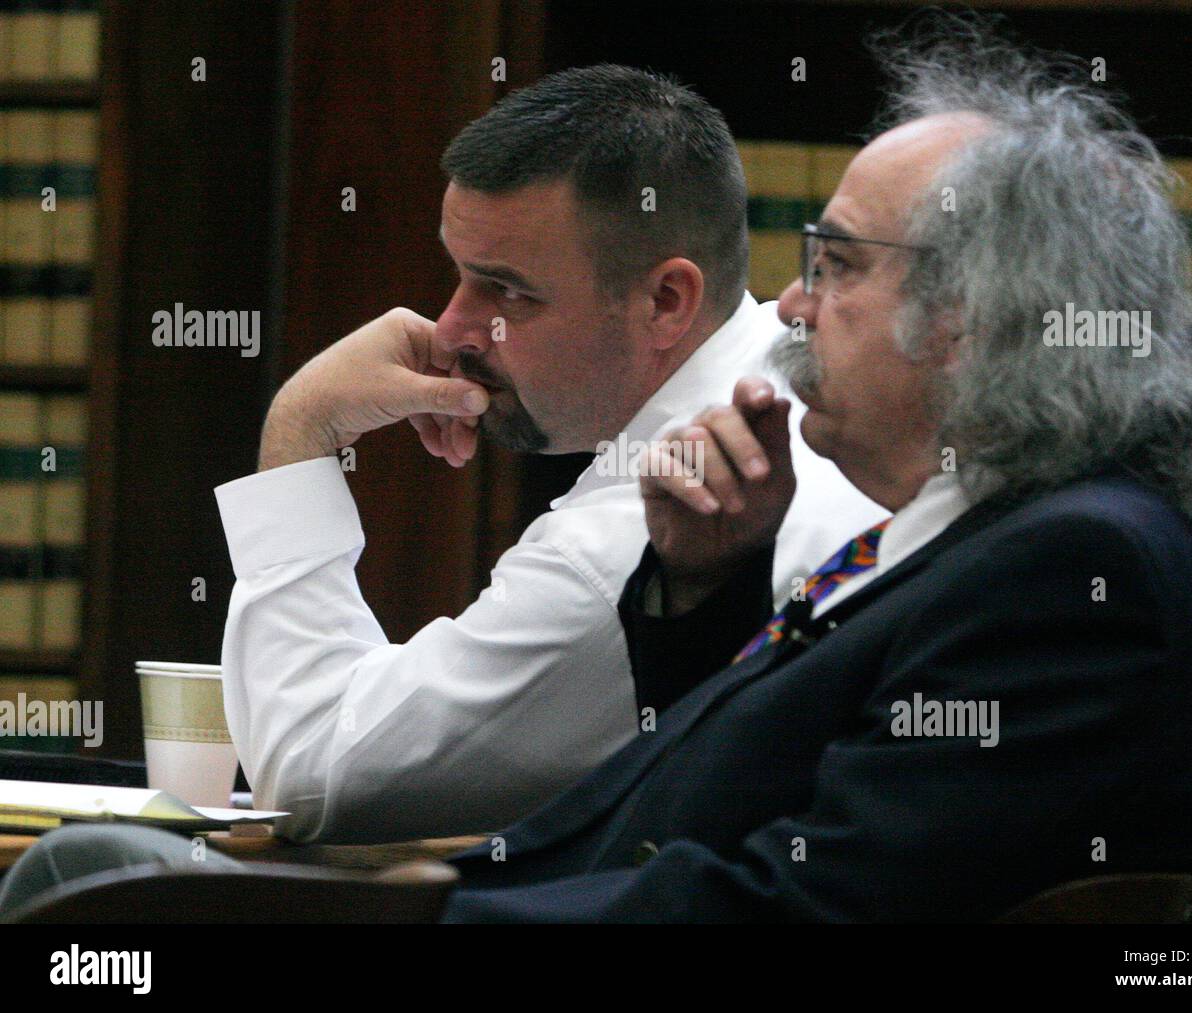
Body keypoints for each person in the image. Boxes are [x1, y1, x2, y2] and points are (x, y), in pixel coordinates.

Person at [0, 21, 1192, 923]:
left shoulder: (1078, 572)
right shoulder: (966, 528)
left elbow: (807, 903)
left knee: (97, 913)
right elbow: (733, 792)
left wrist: (428, 923)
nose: (798, 305)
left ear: (974, 316)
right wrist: (703, 591)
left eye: (842, 265)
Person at [217, 64, 884, 842]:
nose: (452, 330)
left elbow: (310, 777)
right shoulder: (812, 390)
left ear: (666, 301)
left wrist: (300, 431)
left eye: (509, 293)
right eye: (460, 276)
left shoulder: (623, 547)